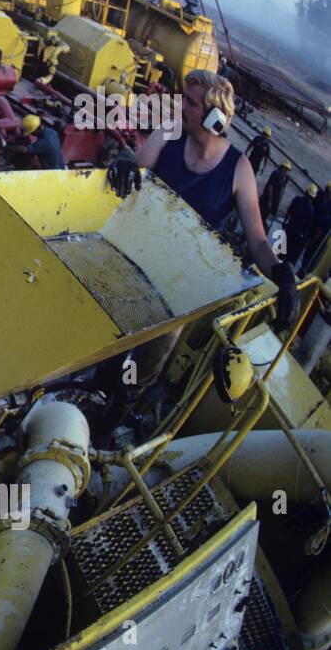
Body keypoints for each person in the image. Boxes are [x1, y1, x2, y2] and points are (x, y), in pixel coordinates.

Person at [104, 70, 298, 419]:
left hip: (177, 290)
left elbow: (256, 239)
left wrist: (283, 275)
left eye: (190, 103)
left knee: (146, 366)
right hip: (135, 264)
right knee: (108, 348)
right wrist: (123, 160)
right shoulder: (168, 132)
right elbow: (138, 164)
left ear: (215, 117)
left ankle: (113, 416)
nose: (181, 106)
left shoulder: (238, 170)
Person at [283, 184, 317, 268]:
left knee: (282, 252)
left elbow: (289, 211)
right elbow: (308, 226)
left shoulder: (297, 199)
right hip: (298, 236)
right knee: (290, 257)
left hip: (289, 229)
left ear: (306, 192)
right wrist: (303, 239)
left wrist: (284, 222)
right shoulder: (311, 210)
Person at [303, 182, 331, 274]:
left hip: (319, 232)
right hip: (311, 225)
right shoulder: (319, 195)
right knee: (305, 247)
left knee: (312, 252)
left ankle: (305, 269)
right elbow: (311, 204)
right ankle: (303, 267)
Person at [260, 160, 291, 226]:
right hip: (267, 199)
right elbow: (270, 186)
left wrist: (285, 180)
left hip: (273, 200)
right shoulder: (276, 174)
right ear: (284, 169)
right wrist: (270, 201)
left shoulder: (282, 176)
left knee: (265, 214)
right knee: (262, 214)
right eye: (288, 171)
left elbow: (280, 185)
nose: (288, 173)